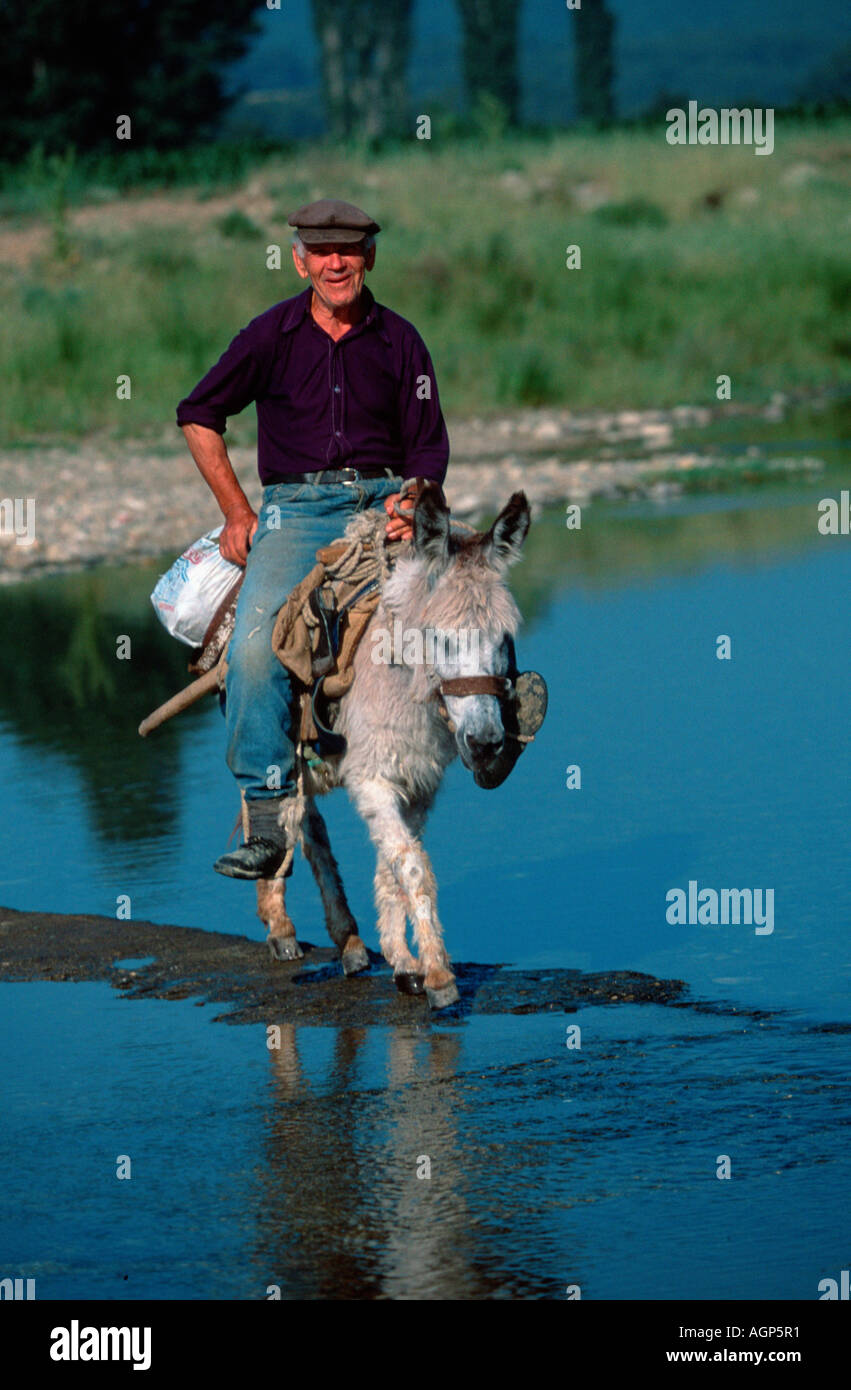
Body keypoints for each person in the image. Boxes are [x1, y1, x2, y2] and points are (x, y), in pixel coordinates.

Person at [176, 198, 449, 878]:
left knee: (472, 588)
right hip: (293, 513)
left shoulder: (401, 341)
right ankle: (266, 817)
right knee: (253, 650)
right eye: (321, 251)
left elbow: (427, 449)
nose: (336, 263)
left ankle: (498, 725)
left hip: (386, 500)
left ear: (369, 258)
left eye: (348, 251)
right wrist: (238, 514)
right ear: (299, 259)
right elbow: (198, 414)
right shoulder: (269, 336)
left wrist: (412, 502)